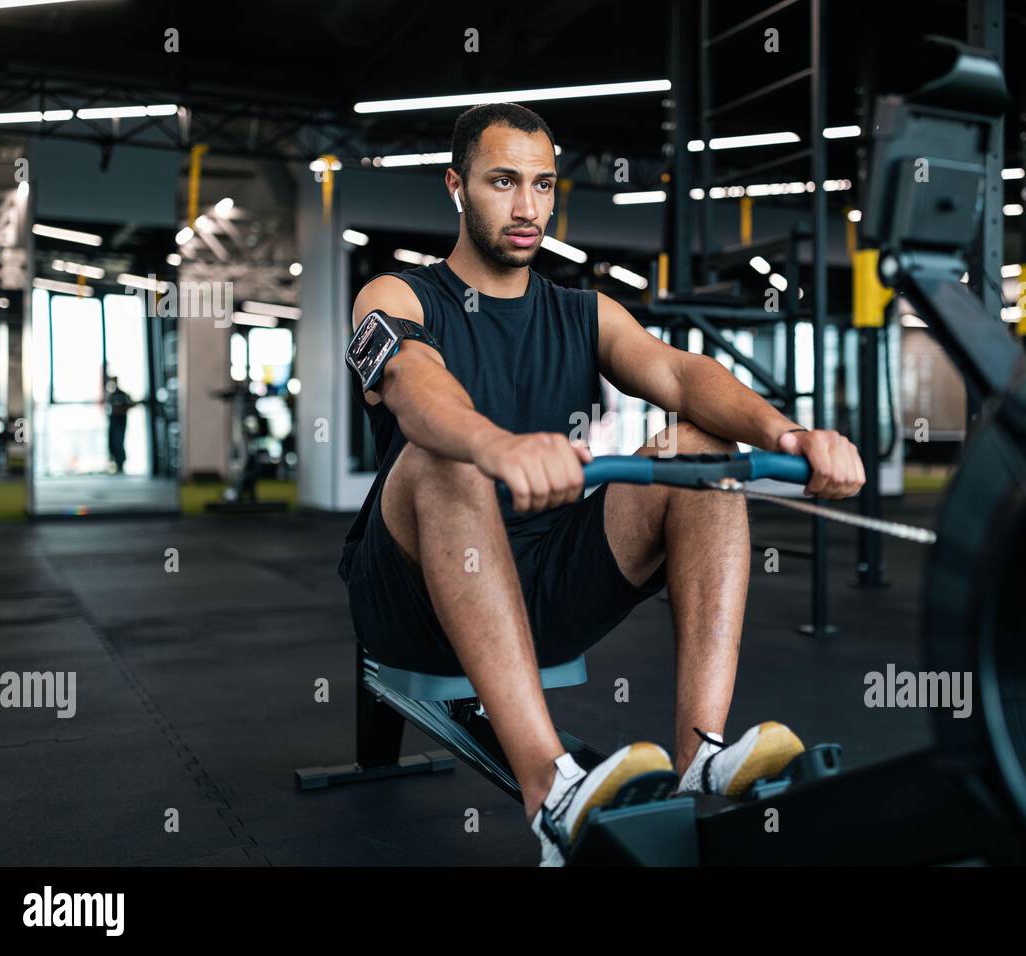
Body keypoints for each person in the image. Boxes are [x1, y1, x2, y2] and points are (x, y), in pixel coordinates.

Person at [337, 102, 866, 865]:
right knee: (442, 457)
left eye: (543, 185)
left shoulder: (585, 312)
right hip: (412, 601)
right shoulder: (395, 297)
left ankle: (702, 750)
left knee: (698, 450)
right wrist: (495, 445)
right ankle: (549, 791)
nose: (527, 208)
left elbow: (682, 373)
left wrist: (788, 435)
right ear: (457, 187)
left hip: (543, 591)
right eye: (502, 182)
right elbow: (413, 382)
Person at [103, 376, 134, 474]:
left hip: (120, 419)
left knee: (118, 440)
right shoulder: (111, 395)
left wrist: (122, 410)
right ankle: (115, 462)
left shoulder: (122, 394)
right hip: (113, 420)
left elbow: (131, 404)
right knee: (112, 441)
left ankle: (120, 463)